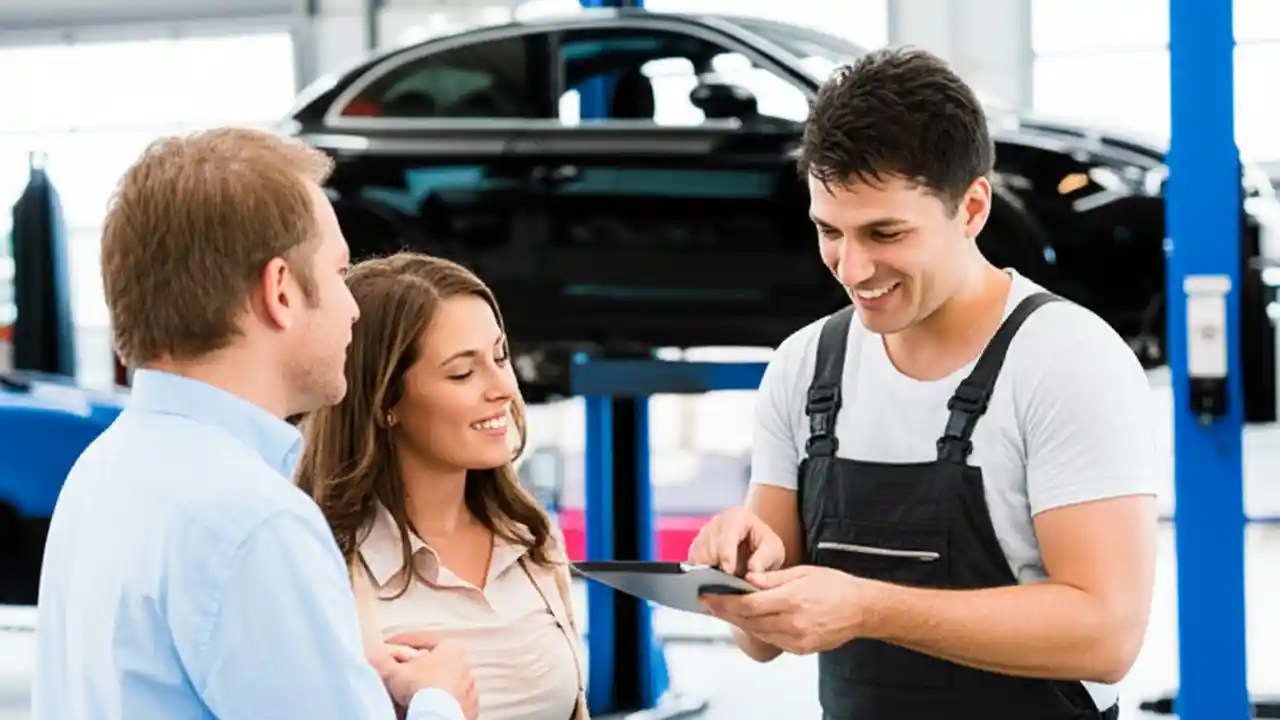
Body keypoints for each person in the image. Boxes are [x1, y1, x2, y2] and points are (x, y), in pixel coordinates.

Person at [687, 48, 1158, 719]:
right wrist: (738, 579)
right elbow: (761, 644)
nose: (852, 267)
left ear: (971, 209)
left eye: (885, 232)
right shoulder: (803, 367)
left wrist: (868, 606)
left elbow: (1105, 634)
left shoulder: (1065, 360)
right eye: (829, 231)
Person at [33, 127, 476, 720]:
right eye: (341, 274)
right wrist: (441, 702)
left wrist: (332, 674)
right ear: (281, 291)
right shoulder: (254, 522)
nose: (353, 309)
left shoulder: (101, 472)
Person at [294, 252, 588, 720]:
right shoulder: (323, 565)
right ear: (386, 400)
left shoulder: (531, 537)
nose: (503, 388)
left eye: (500, 356)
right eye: (462, 372)